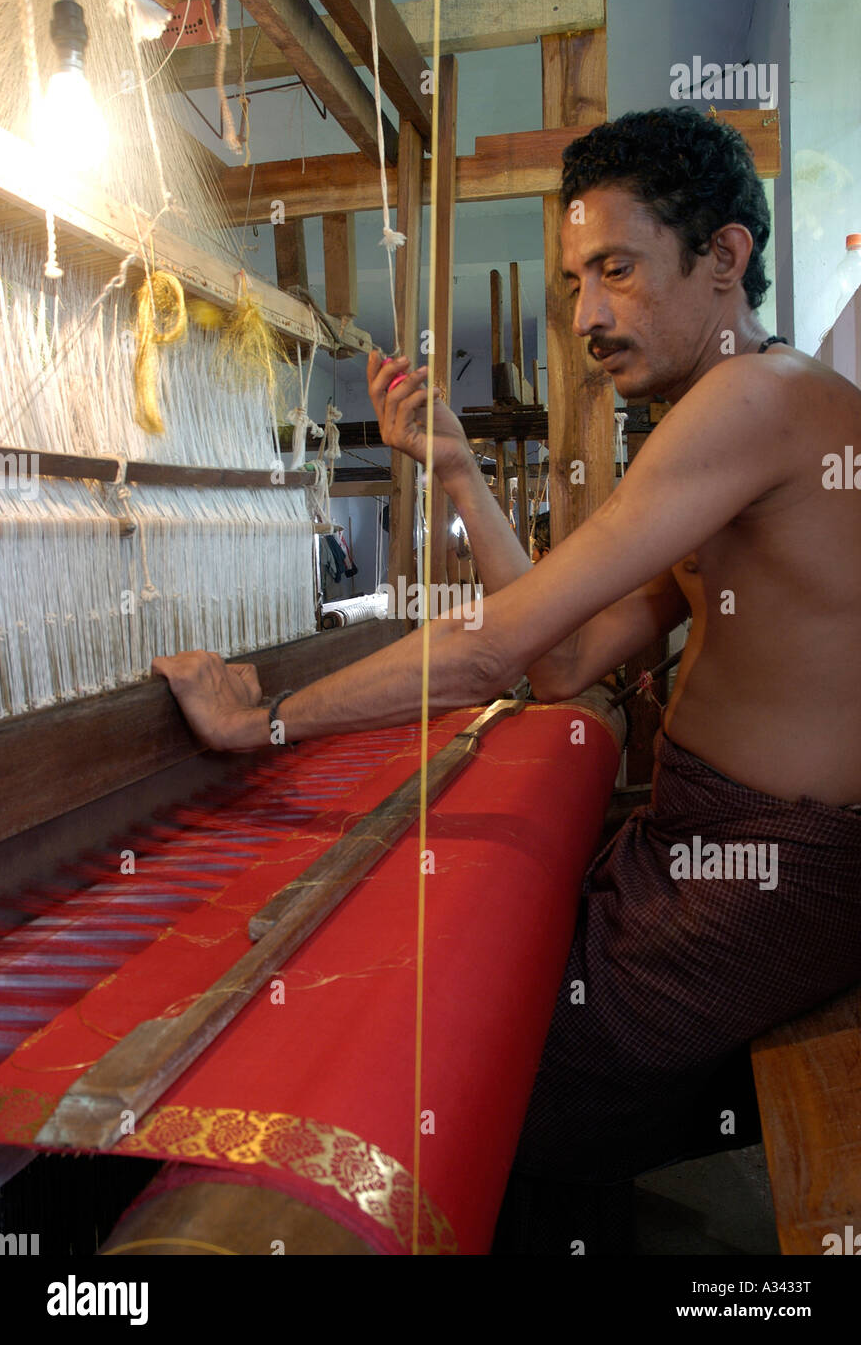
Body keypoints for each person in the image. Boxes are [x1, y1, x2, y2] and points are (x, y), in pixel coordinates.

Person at [153, 107, 861, 1252]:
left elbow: (494, 650)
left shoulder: (759, 400)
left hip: (763, 884)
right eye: (578, 279)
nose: (586, 315)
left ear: (725, 257)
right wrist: (459, 472)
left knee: (461, 1091)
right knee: (481, 1022)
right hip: (702, 862)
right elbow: (566, 657)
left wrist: (265, 719)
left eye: (618, 270)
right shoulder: (735, 415)